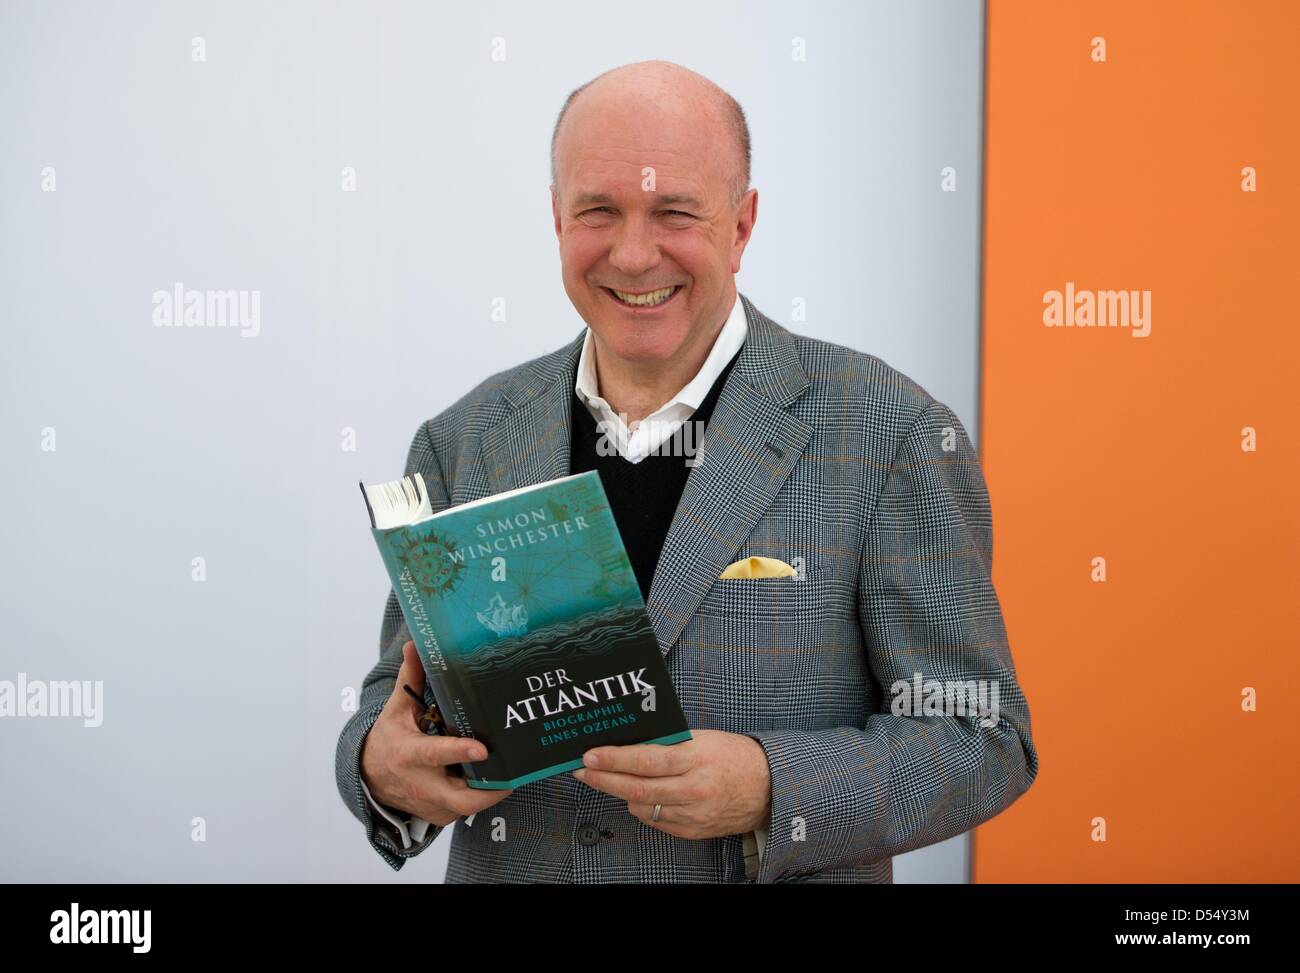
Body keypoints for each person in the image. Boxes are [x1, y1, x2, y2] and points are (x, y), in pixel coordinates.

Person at [335, 59, 1038, 884]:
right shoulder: (463, 440)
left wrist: (776, 787)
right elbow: (398, 702)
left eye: (675, 213)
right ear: (557, 220)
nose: (633, 255)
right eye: (599, 211)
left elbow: (981, 736)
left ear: (742, 227)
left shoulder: (892, 433)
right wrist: (380, 768)